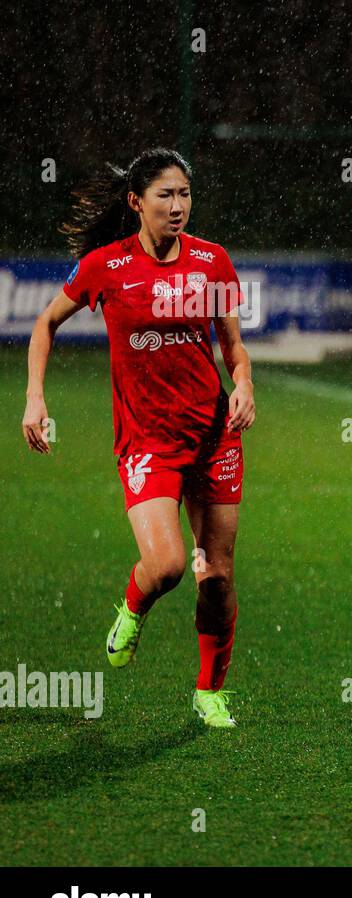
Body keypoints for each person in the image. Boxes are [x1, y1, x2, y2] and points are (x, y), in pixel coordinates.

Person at [21, 147, 254, 728]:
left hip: (214, 436)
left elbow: (233, 346)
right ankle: (133, 606)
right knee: (170, 564)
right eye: (164, 196)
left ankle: (209, 691)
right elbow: (45, 322)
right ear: (137, 202)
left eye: (185, 195)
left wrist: (244, 385)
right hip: (148, 441)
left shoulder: (211, 262)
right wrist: (34, 397)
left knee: (217, 576)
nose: (178, 207)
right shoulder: (106, 267)